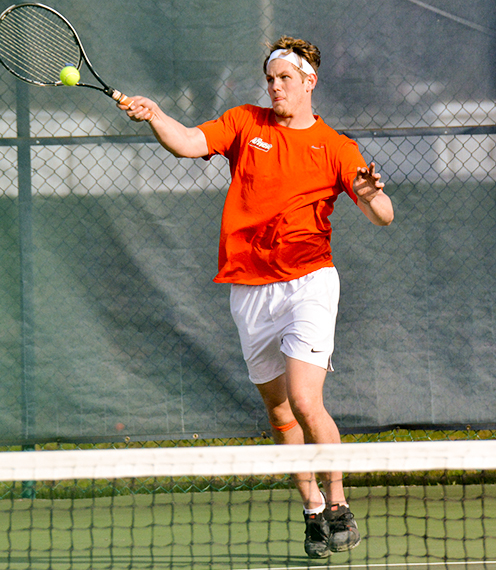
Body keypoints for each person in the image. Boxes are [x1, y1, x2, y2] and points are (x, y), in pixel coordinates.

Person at [118, 35, 394, 558]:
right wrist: (155, 115)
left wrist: (373, 192)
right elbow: (188, 143)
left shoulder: (337, 148)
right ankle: (312, 509)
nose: (275, 86)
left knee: (307, 399)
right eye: (270, 78)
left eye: (285, 78)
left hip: (310, 282)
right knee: (279, 411)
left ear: (309, 81)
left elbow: (383, 216)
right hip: (249, 290)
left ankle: (338, 504)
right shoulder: (246, 121)